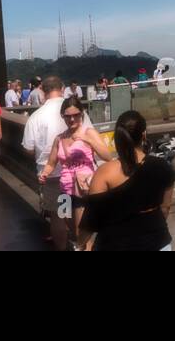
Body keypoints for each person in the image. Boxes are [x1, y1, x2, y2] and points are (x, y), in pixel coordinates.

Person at [79, 110, 173, 251]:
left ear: (117, 137)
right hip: (158, 242)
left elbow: (90, 221)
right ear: (144, 135)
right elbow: (165, 208)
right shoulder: (163, 166)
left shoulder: (104, 172)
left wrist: (80, 243)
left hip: (114, 244)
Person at [23, 75, 93, 249]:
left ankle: (63, 248)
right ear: (62, 88)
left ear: (42, 91)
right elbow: (90, 136)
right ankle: (84, 246)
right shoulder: (77, 112)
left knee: (59, 216)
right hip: (80, 176)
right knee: (80, 214)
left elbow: (28, 148)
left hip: (54, 176)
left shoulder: (36, 116)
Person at [39, 96, 113, 246]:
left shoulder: (89, 132)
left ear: (82, 114)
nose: (72, 119)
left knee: (81, 233)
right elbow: (51, 163)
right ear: (63, 116)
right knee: (69, 228)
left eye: (76, 115)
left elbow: (107, 156)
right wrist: (45, 173)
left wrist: (88, 140)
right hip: (64, 190)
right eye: (68, 116)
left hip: (83, 190)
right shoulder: (59, 138)